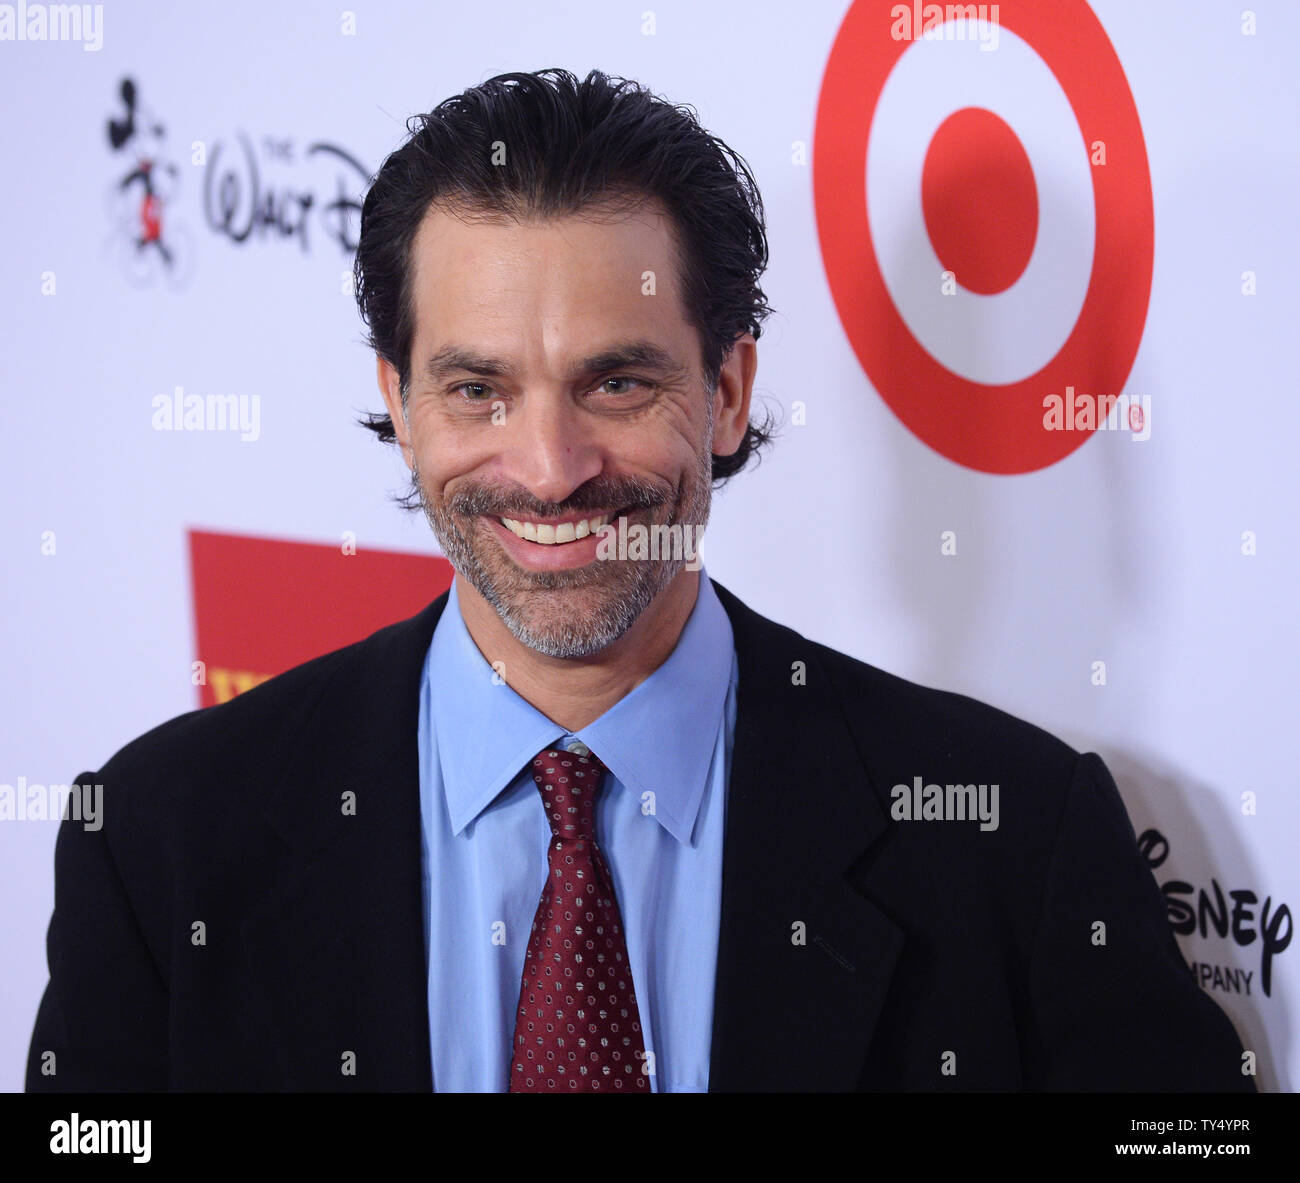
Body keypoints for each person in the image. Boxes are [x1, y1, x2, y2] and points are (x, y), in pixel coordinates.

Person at [27, 68, 1253, 1093]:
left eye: (617, 383)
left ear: (724, 393)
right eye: (478, 391)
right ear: (398, 403)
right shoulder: (162, 844)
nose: (550, 471)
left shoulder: (1014, 839)